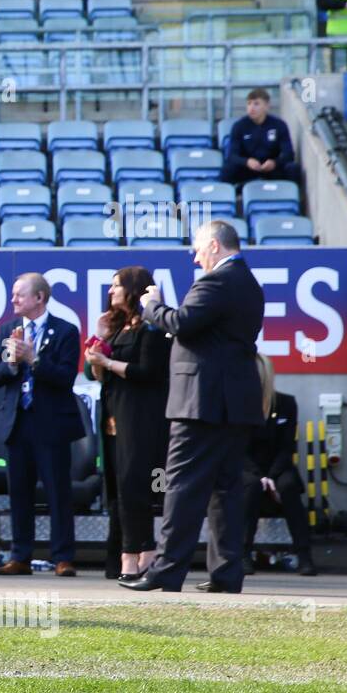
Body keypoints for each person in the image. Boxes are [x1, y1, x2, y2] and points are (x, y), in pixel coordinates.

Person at [121, 221, 266, 594]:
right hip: (235, 405)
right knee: (227, 491)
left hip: (202, 402)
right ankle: (227, 573)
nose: (195, 255)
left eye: (199, 248)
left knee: (182, 486)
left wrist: (151, 304)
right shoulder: (248, 283)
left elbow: (182, 322)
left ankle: (166, 570)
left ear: (215, 246)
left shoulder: (217, 282)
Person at [0, 272, 85, 577]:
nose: (13, 300)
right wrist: (12, 364)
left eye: (19, 294)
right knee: (19, 491)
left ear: (39, 298)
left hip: (51, 423)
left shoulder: (66, 331)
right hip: (18, 422)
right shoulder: (8, 330)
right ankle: (20, 555)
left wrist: (35, 360)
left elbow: (66, 377)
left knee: (58, 491)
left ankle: (63, 557)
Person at [84, 267, 171, 581]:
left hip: (140, 419)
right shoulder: (116, 328)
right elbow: (91, 373)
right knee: (117, 490)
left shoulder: (152, 328)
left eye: (116, 286)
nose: (111, 292)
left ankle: (139, 556)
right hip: (112, 418)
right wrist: (100, 338)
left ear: (133, 289)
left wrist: (107, 362)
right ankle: (121, 556)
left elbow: (148, 372)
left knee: (136, 488)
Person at [244, 355, 315, 575]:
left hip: (278, 466)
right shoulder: (240, 405)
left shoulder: (286, 403)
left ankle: (304, 555)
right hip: (248, 467)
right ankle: (242, 553)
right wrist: (260, 476)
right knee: (251, 486)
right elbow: (237, 448)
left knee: (288, 487)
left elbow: (287, 447)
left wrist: (272, 475)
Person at [219, 88, 302, 186]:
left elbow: (289, 154)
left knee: (293, 168)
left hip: (272, 169)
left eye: (256, 104)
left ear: (267, 106)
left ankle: (290, 197)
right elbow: (232, 156)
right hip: (248, 169)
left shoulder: (279, 125)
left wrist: (275, 162)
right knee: (227, 170)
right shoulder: (239, 126)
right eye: (249, 103)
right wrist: (247, 162)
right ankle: (234, 197)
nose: (251, 108)